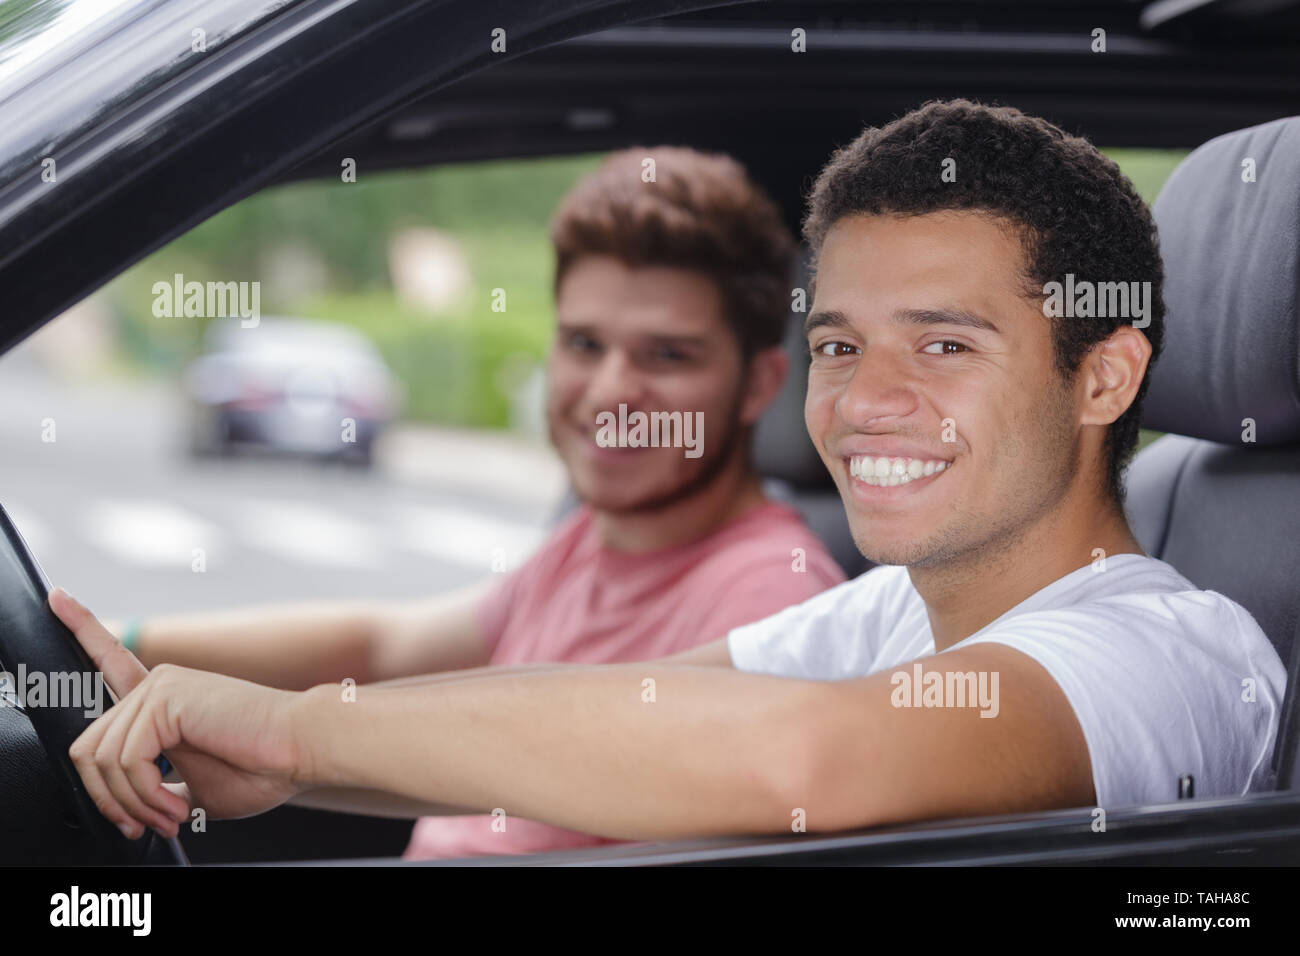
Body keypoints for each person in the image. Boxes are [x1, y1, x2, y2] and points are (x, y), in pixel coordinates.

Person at [57, 100, 1284, 851]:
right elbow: (617, 702)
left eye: (944, 345)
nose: (861, 401)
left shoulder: (1165, 653)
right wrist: (284, 756)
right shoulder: (894, 613)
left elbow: (806, 758)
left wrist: (294, 726)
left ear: (1102, 378)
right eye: (839, 346)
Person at [105, 146, 845, 858]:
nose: (611, 391)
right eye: (584, 344)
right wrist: (119, 642)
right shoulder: (592, 541)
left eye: (668, 355)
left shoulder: (770, 601)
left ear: (759, 384)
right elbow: (380, 648)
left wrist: (289, 744)